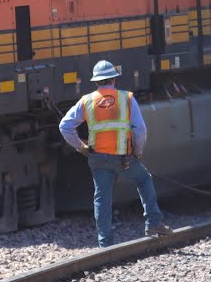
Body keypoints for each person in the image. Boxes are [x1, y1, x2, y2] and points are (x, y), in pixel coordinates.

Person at [58, 60, 171, 247]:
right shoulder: (126, 98)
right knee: (143, 179)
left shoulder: (86, 101)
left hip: (98, 158)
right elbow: (140, 129)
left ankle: (105, 243)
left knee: (102, 197)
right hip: (124, 158)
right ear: (114, 80)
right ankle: (153, 223)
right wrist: (138, 151)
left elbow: (65, 126)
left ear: (96, 82)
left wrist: (80, 147)